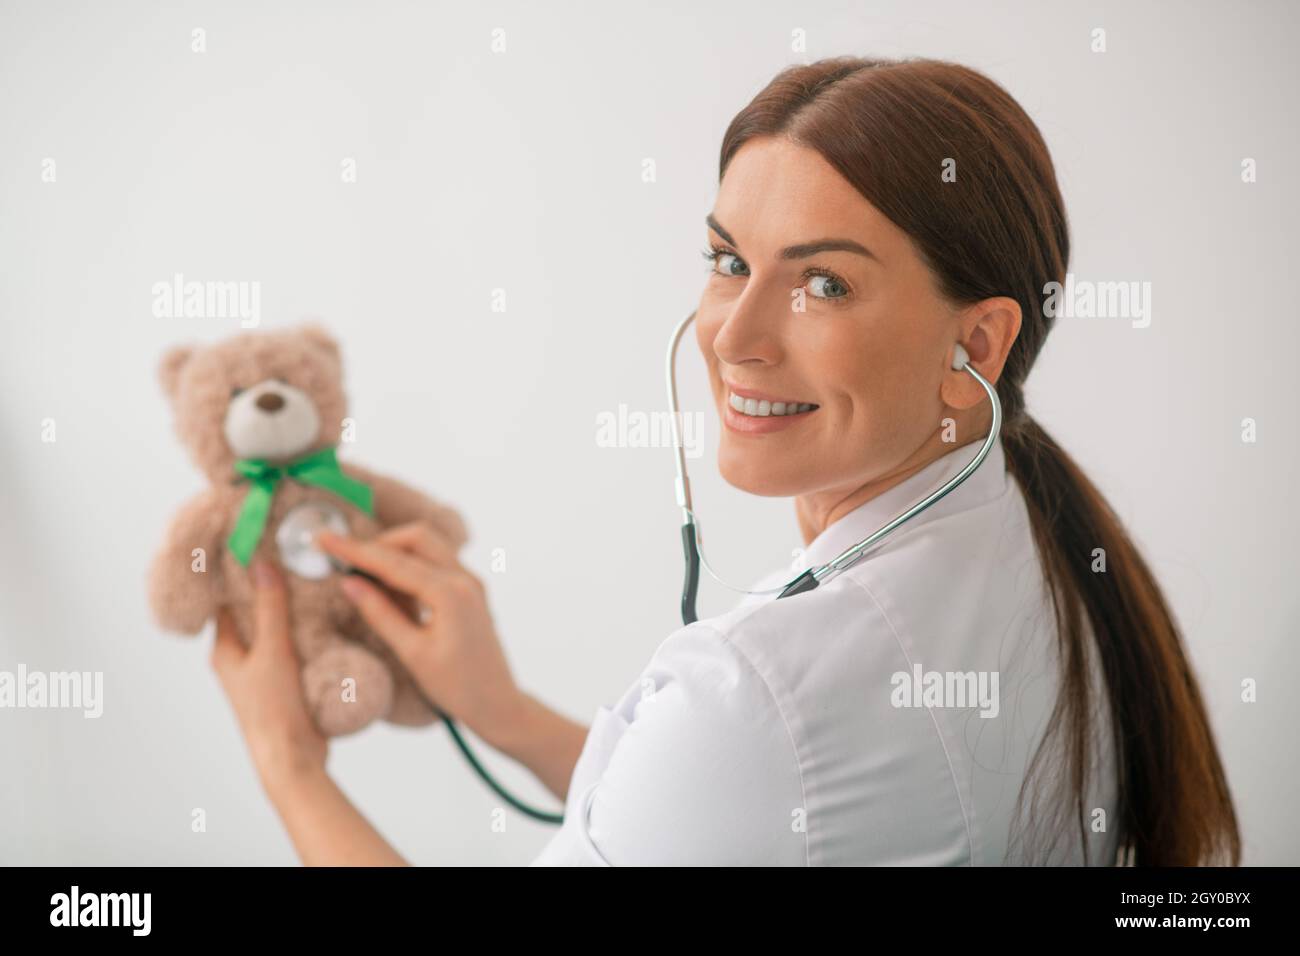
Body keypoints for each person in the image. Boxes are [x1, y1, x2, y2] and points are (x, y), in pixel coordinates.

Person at [211, 56, 1240, 866]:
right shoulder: (1027, 531)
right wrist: (504, 712)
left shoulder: (759, 690)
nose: (733, 335)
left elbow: (757, 758)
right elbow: (754, 813)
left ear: (973, 347)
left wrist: (287, 764)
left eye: (823, 283)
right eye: (728, 261)